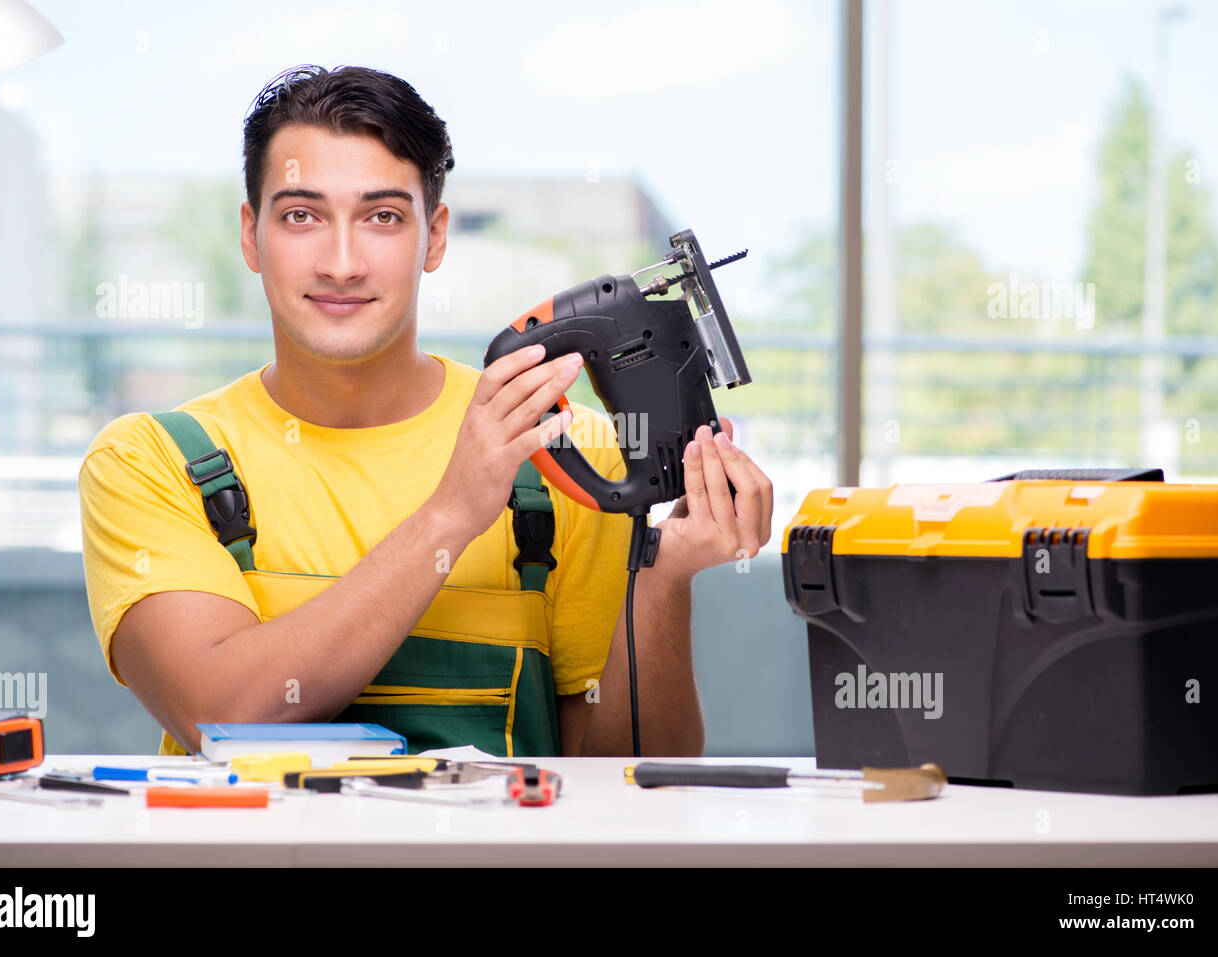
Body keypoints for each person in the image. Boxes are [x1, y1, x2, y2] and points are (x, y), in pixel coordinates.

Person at [78, 64, 773, 758]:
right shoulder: (148, 461)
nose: (342, 263)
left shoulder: (569, 454)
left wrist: (663, 575)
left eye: (382, 217)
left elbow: (630, 772)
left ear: (434, 236)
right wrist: (452, 512)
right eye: (301, 215)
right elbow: (215, 711)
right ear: (250, 235)